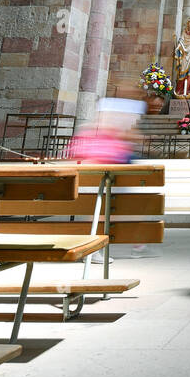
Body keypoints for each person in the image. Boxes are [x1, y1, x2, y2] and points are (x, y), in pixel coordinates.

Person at [68, 98, 153, 261]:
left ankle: (136, 243)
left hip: (98, 180)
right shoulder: (113, 140)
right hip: (109, 179)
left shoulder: (93, 134)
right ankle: (96, 249)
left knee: (115, 209)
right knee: (114, 210)